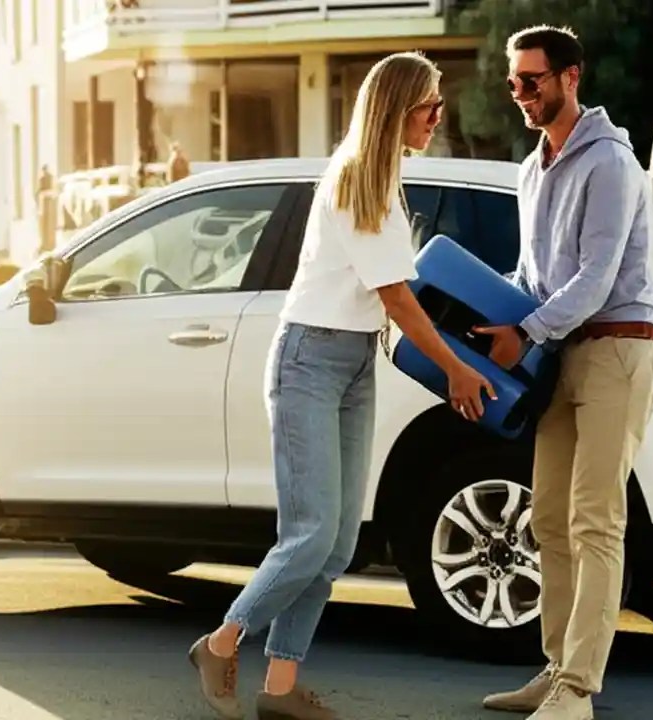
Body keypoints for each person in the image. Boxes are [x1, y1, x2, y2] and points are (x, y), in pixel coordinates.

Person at [185, 51, 496, 720]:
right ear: (394, 109)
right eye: (429, 106)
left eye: (440, 105)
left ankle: (279, 689)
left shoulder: (386, 180)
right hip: (309, 361)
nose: (438, 117)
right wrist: (454, 367)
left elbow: (402, 292)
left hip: (352, 361)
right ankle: (220, 641)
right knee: (309, 533)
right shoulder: (360, 178)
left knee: (338, 542)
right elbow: (396, 297)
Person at [474, 25, 653, 720]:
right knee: (547, 518)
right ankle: (556, 668)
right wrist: (474, 309)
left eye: (533, 81)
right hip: (563, 353)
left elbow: (597, 274)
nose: (520, 94)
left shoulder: (611, 161)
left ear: (571, 78)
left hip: (619, 346)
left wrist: (525, 329)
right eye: (514, 82)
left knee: (594, 521)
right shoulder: (534, 169)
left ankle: (578, 689)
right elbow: (533, 275)